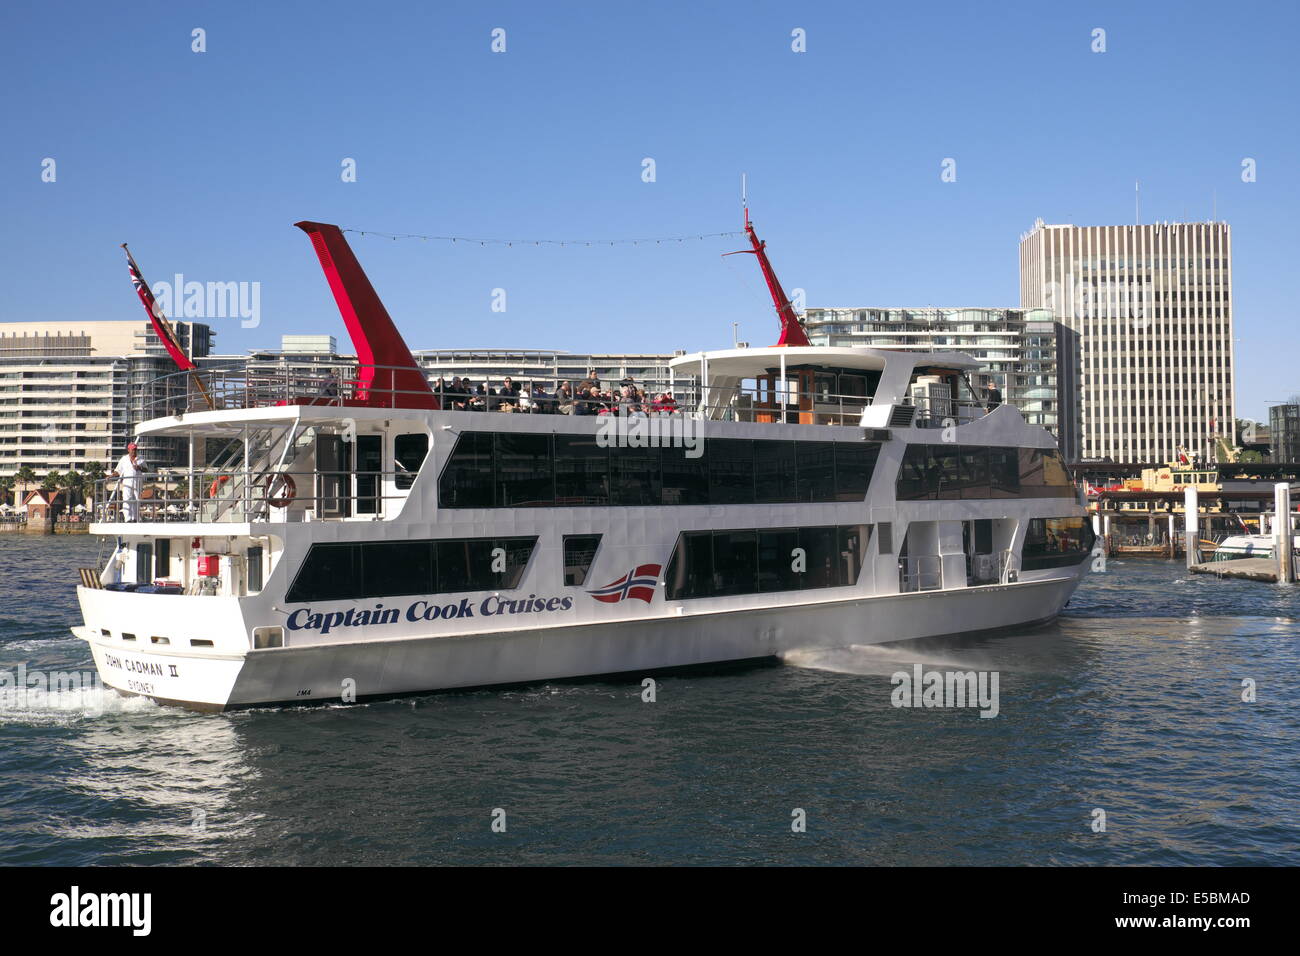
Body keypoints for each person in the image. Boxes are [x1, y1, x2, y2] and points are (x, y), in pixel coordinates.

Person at [110, 442, 146, 521]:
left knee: (137, 500)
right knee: (127, 499)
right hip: (127, 482)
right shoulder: (124, 459)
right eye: (132, 449)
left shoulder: (141, 458)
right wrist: (111, 476)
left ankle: (136, 518)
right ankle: (128, 518)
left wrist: (139, 467)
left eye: (135, 449)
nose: (134, 451)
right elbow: (118, 471)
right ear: (128, 450)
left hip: (137, 482)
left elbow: (146, 469)